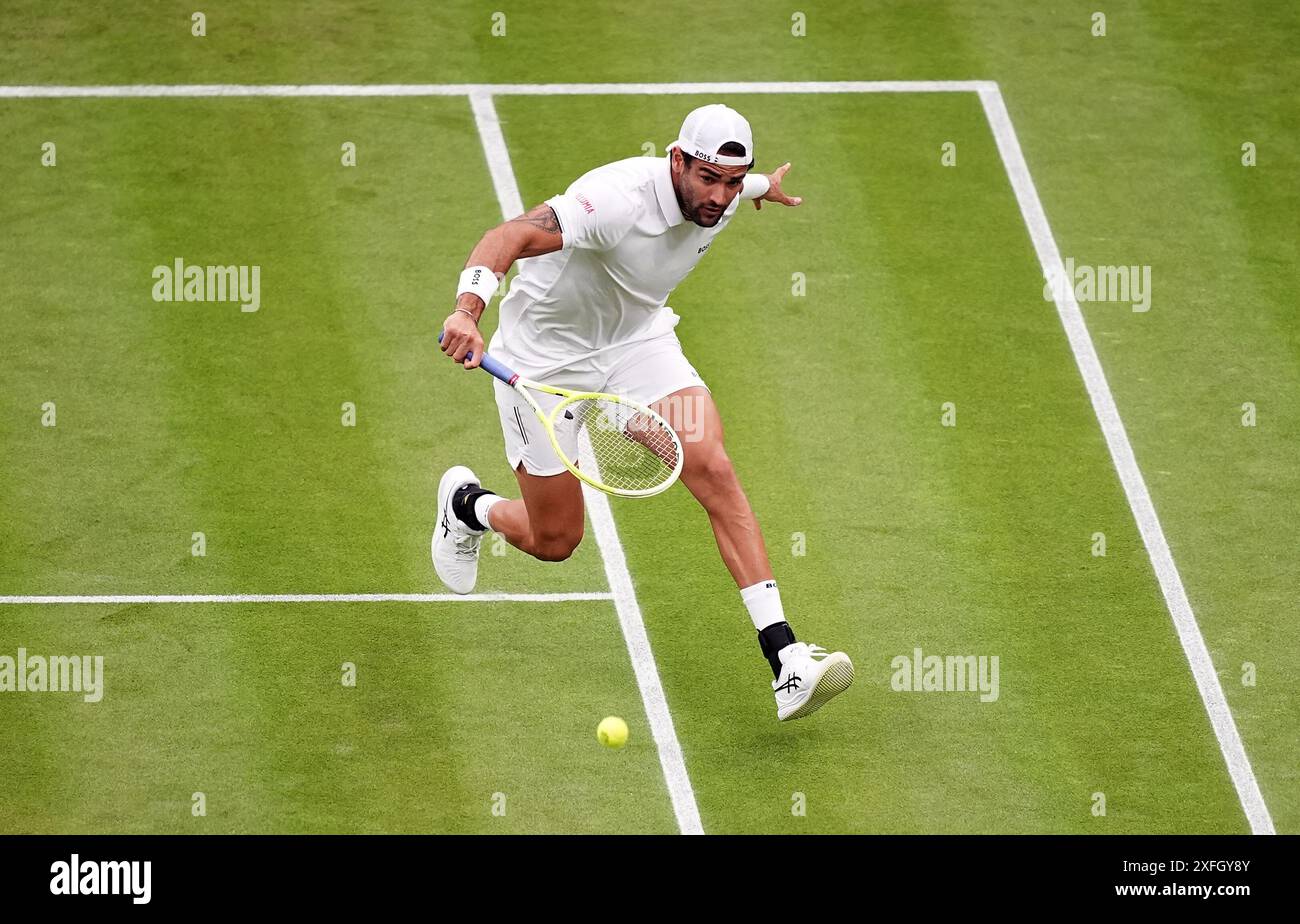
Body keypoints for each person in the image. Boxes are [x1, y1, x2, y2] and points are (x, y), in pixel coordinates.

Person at [435, 104, 853, 721]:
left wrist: (764, 188)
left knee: (711, 467)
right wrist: (468, 312)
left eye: (735, 183)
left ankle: (787, 660)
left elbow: (742, 184)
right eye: (710, 179)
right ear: (677, 161)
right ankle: (467, 507)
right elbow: (511, 236)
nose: (722, 196)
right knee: (556, 541)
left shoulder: (728, 192)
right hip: (544, 367)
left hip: (638, 348)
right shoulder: (613, 200)